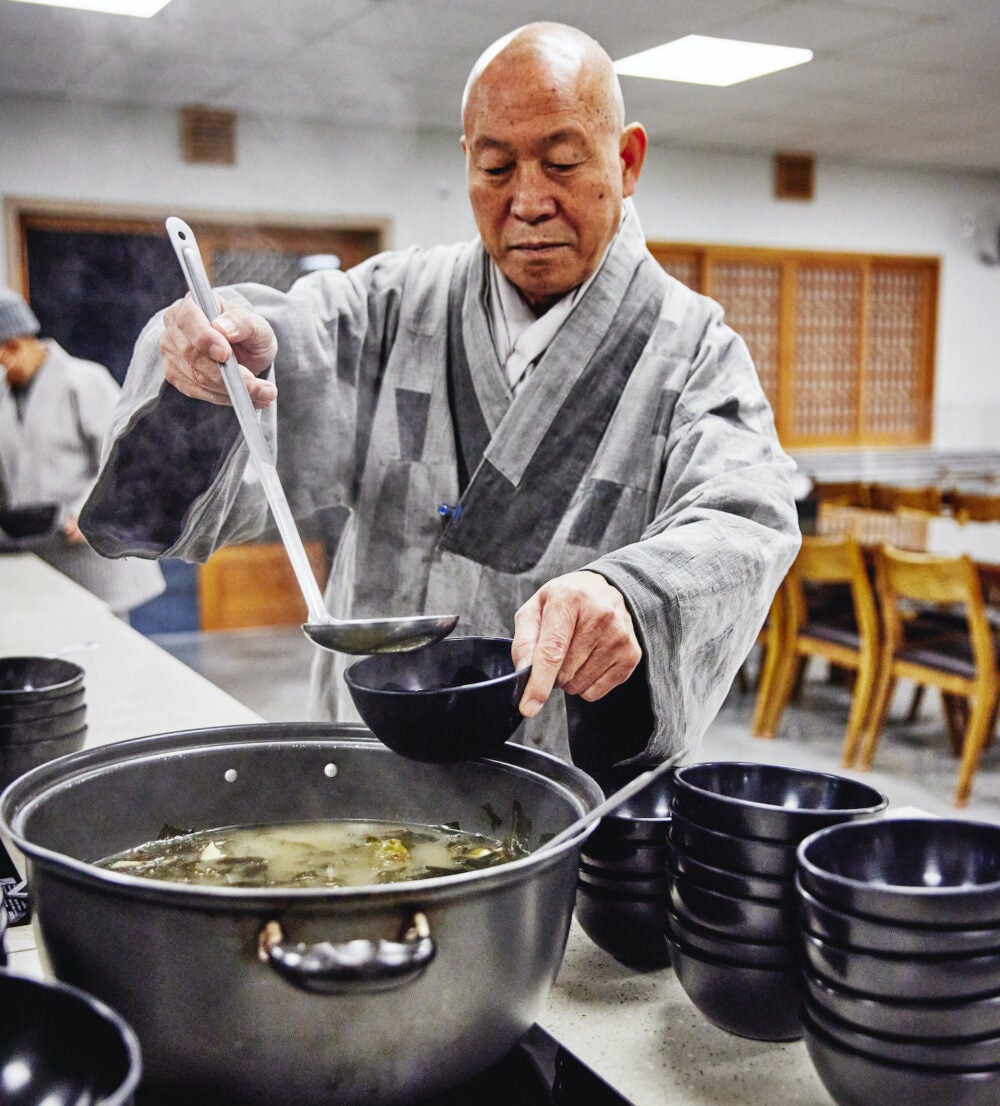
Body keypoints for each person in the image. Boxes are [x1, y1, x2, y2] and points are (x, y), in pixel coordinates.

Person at [79, 23, 800, 773]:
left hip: (555, 786)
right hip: (366, 759)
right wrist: (208, 369)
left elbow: (747, 516)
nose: (527, 201)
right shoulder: (394, 305)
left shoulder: (692, 351)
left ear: (625, 160)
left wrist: (628, 593)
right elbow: (283, 338)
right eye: (495, 168)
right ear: (466, 164)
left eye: (561, 162)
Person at [0, 287, 165, 618]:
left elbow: (128, 457)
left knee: (106, 651)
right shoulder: (3, 396)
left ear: (13, 347)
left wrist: (88, 509)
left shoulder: (83, 381)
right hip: (36, 552)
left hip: (88, 549)